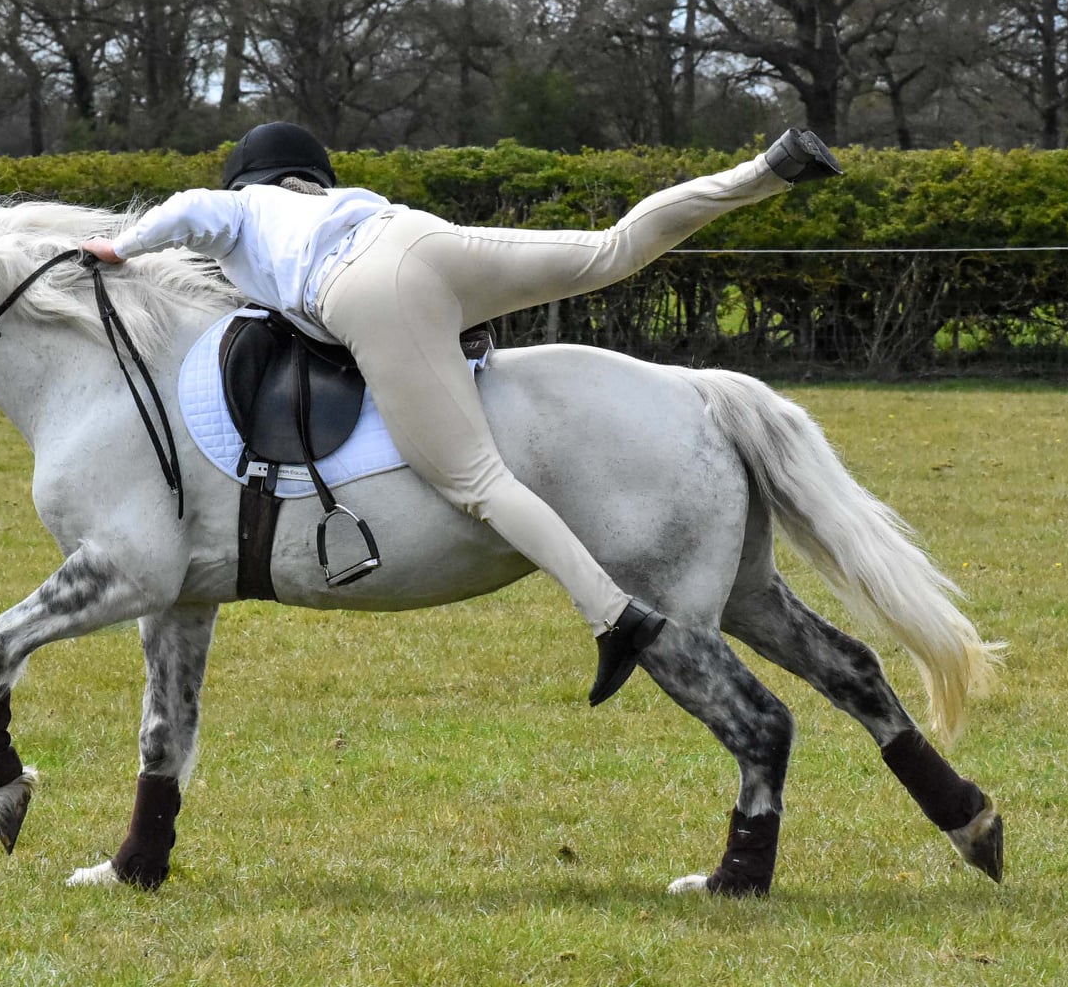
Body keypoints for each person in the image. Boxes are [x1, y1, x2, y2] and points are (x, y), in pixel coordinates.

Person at [81, 121, 842, 705]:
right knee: (611, 251)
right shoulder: (343, 199)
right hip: (419, 237)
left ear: (249, 175)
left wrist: (121, 247)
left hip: (364, 287)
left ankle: (618, 618)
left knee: (479, 482)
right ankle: (765, 171)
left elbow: (189, 210)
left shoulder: (242, 204)